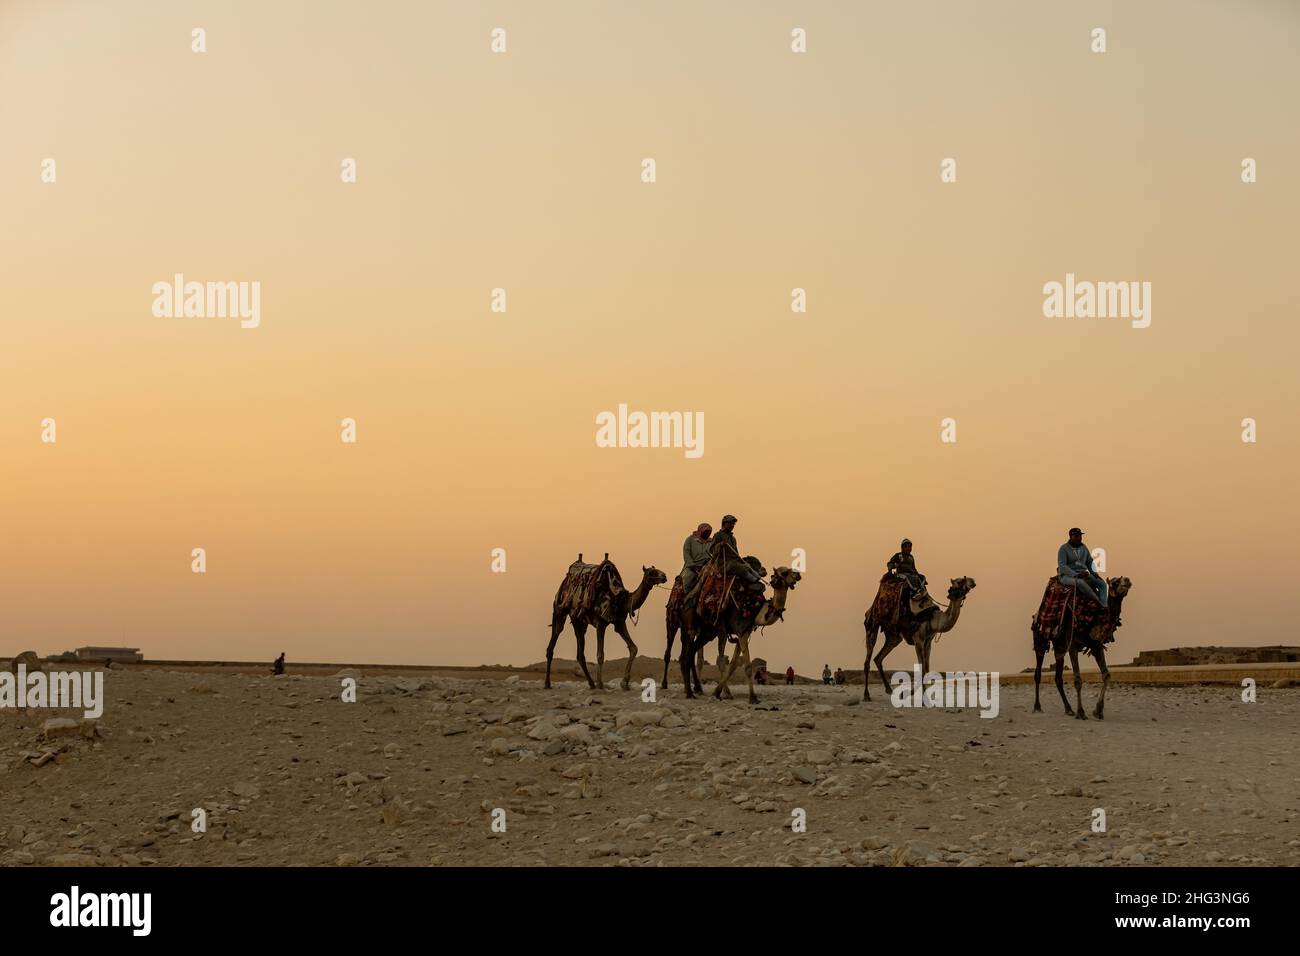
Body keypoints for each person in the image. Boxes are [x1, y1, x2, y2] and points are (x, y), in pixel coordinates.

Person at [706, 515, 764, 594]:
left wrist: (743, 561)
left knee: (751, 560)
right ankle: (753, 579)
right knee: (736, 566)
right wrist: (720, 545)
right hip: (724, 564)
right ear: (724, 523)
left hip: (734, 560)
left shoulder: (733, 538)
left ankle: (756, 574)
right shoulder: (718, 535)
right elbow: (711, 550)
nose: (732, 525)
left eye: (733, 524)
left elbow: (736, 553)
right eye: (730, 523)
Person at [1058, 527, 1107, 607]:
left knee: (1102, 584)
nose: (1079, 538)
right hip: (1067, 576)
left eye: (1080, 536)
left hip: (1083, 574)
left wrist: (1095, 574)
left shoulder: (1083, 547)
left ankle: (1105, 604)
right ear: (1071, 537)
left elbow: (1089, 562)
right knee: (1081, 583)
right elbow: (1062, 566)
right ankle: (1099, 603)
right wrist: (1075, 575)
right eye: (1076, 536)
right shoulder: (1063, 549)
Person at [679, 523, 713, 594]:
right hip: (693, 565)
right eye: (706, 532)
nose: (708, 534)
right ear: (701, 531)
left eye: (709, 532)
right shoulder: (690, 539)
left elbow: (714, 552)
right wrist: (692, 565)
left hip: (708, 564)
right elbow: (686, 553)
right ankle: (686, 597)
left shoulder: (711, 541)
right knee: (688, 578)